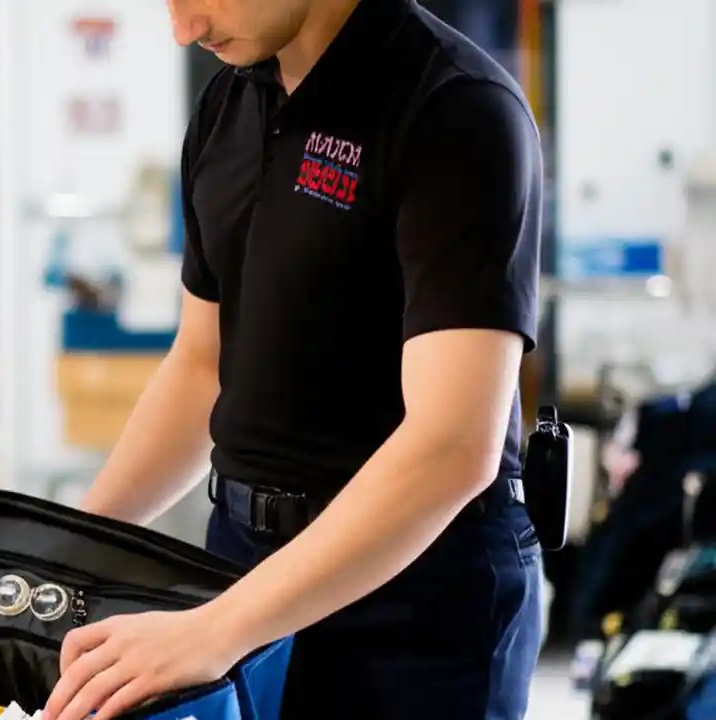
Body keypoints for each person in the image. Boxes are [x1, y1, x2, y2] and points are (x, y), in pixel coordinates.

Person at [41, 0, 544, 718]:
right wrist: (73, 543)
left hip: (417, 603)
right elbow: (202, 366)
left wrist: (214, 632)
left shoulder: (455, 110)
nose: (182, 27)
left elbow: (453, 445)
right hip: (240, 564)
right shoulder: (227, 102)